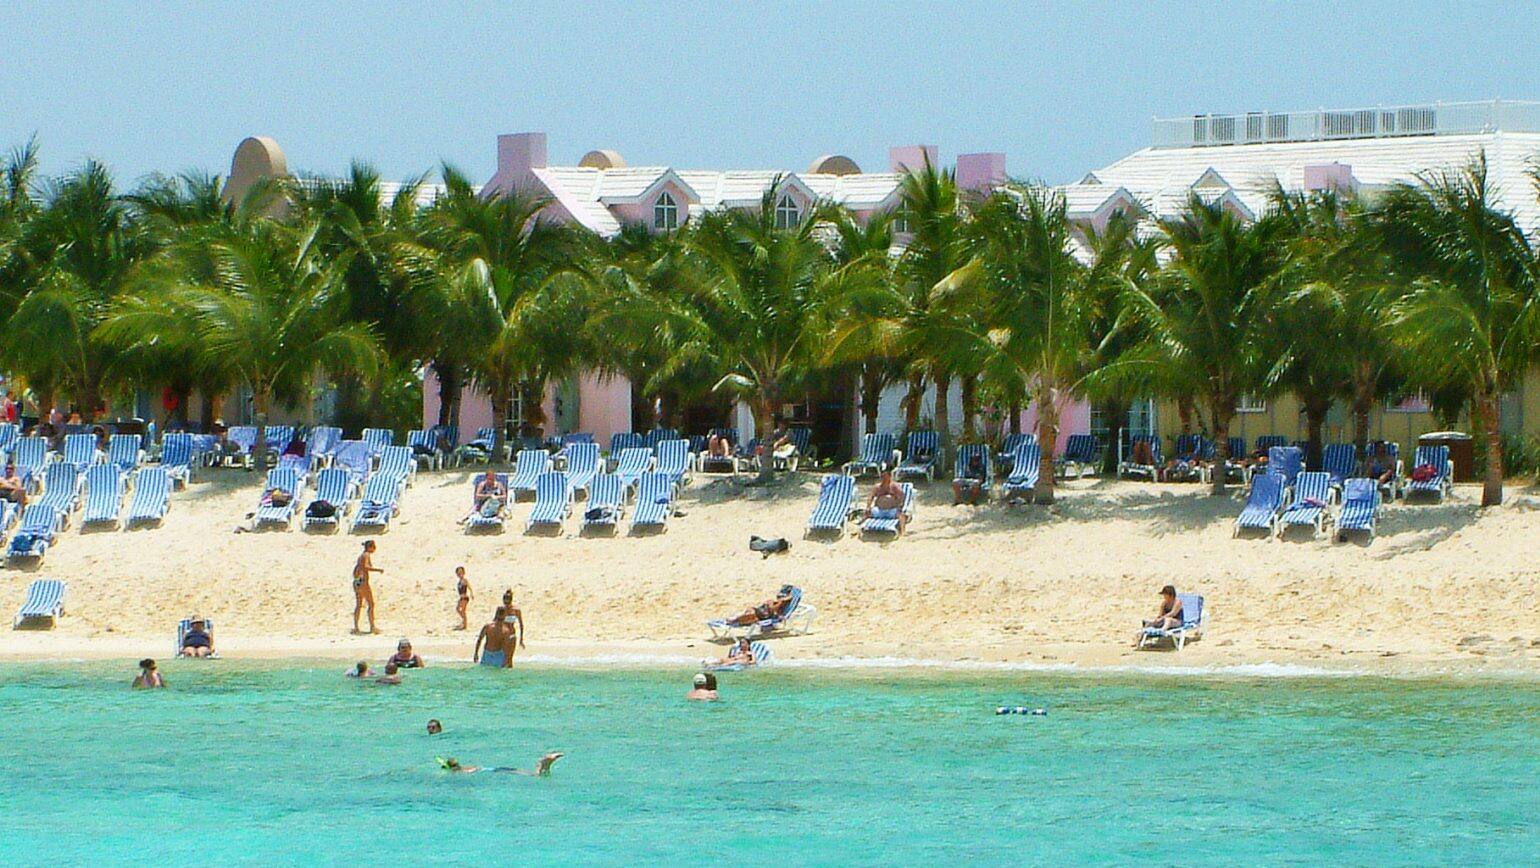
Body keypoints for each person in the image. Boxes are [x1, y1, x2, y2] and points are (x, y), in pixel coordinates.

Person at [440, 752, 565, 776]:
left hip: (497, 771)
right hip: (496, 769)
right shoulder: (465, 768)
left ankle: (541, 763)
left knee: (533, 775)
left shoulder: (462, 771)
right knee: (537, 775)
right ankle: (544, 764)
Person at [724, 585, 795, 627]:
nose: (779, 597)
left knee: (752, 615)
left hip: (763, 615)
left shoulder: (782, 603)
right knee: (750, 610)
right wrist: (769, 602)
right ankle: (736, 619)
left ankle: (735, 621)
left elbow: (773, 610)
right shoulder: (777, 601)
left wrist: (771, 604)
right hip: (760, 610)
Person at [352, 541, 382, 634]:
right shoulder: (366, 555)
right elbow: (365, 567)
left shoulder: (361, 556)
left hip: (357, 581)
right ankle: (372, 627)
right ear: (370, 547)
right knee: (371, 604)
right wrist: (378, 570)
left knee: (359, 605)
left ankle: (356, 627)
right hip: (363, 582)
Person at [454, 566, 472, 631]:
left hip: (465, 597)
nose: (460, 574)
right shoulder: (459, 581)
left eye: (461, 573)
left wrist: (471, 594)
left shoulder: (464, 580)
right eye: (458, 573)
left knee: (463, 611)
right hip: (461, 598)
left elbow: (469, 587)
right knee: (458, 609)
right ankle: (464, 621)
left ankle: (465, 624)